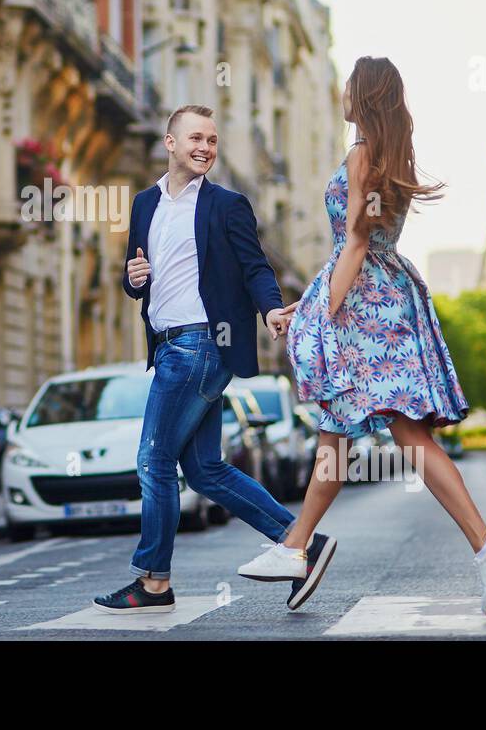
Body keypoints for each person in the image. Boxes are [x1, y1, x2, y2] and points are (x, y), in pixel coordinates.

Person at [235, 56, 486, 616]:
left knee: (377, 434)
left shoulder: (361, 153)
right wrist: (311, 301)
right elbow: (359, 248)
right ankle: (298, 547)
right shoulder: (391, 154)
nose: (340, 93)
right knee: (358, 433)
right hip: (389, 297)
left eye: (346, 86)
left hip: (365, 309)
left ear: (361, 95)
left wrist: (327, 313)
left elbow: (356, 244)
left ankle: (302, 549)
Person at [92, 104, 336, 615]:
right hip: (167, 345)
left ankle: (153, 581)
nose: (205, 148)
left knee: (154, 462)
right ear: (171, 143)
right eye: (196, 139)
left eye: (213, 140)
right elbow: (136, 275)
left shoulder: (227, 205)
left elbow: (255, 267)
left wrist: (271, 308)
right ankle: (302, 543)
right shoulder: (143, 205)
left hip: (200, 345)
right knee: (203, 469)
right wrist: (133, 280)